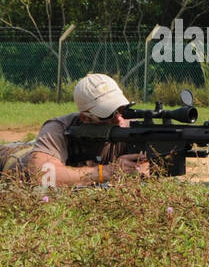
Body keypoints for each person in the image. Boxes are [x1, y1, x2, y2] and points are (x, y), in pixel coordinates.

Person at [0, 74, 151, 186]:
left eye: (122, 110)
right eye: (108, 114)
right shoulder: (59, 128)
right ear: (85, 118)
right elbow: (42, 176)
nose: (119, 119)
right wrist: (108, 171)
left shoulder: (135, 130)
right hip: (14, 159)